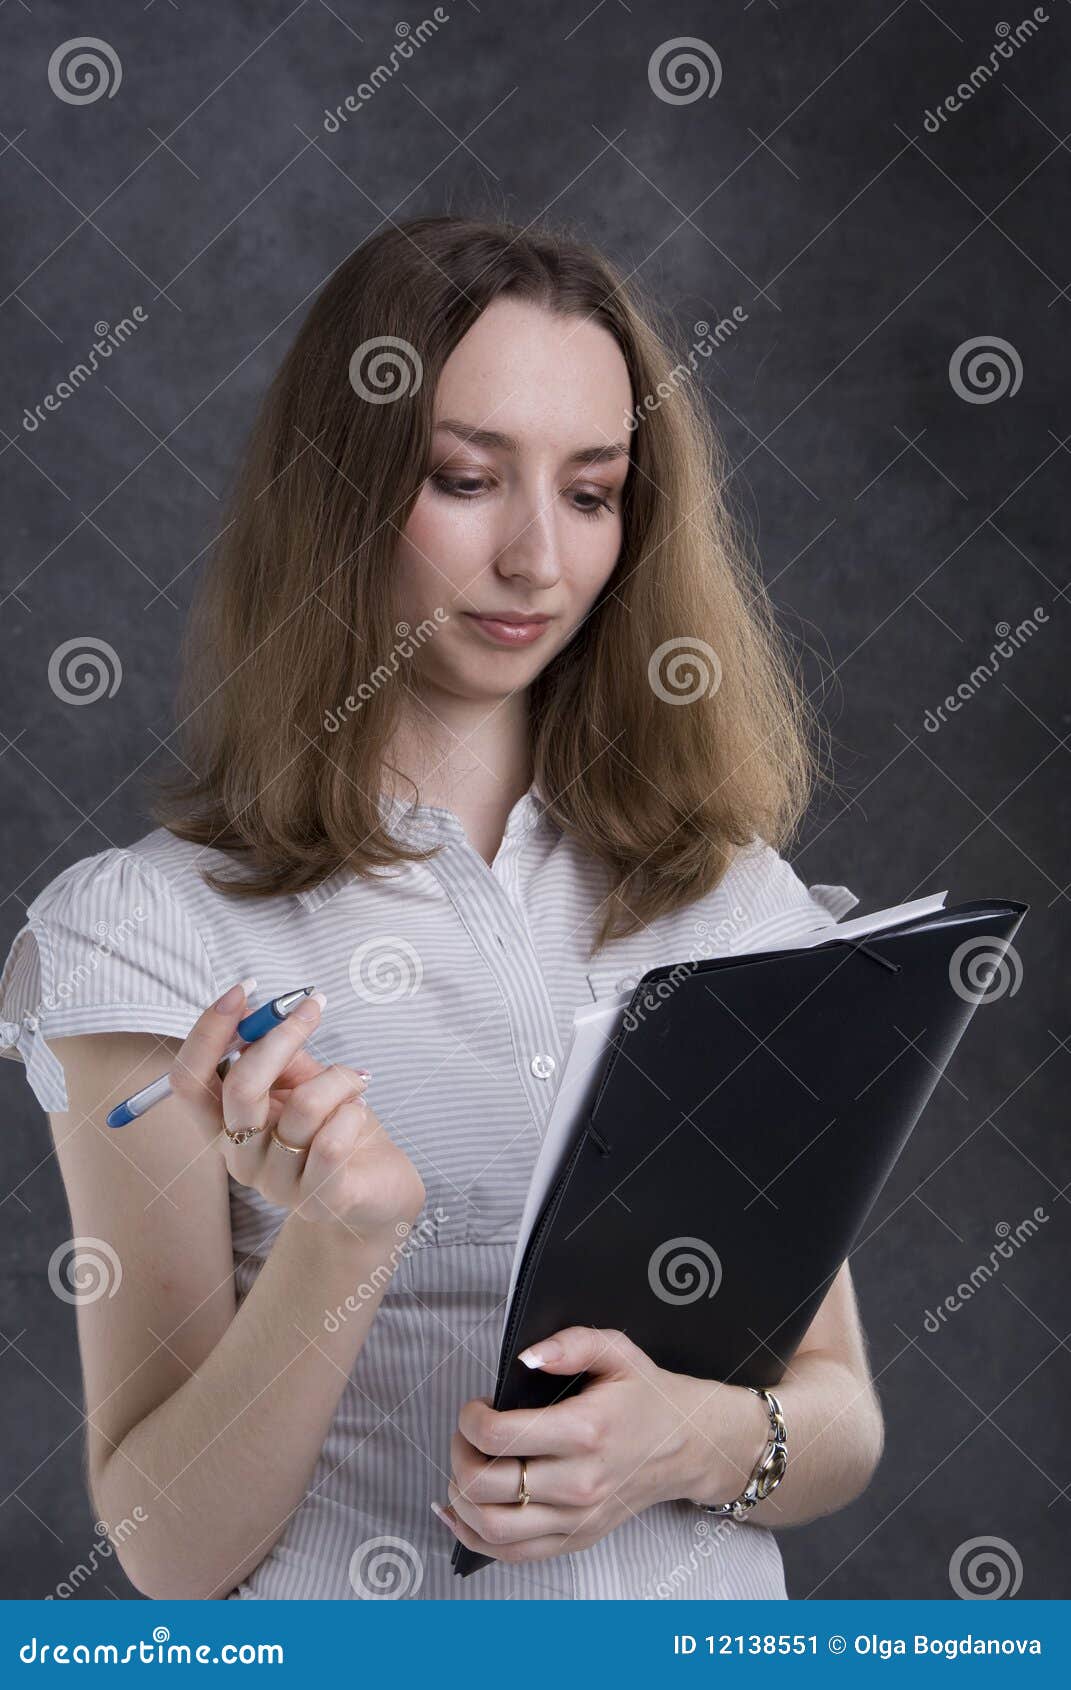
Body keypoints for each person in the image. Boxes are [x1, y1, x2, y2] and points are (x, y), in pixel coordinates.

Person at [0, 215, 883, 1601]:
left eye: (592, 493)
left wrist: (685, 1438)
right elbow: (171, 1548)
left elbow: (839, 1417)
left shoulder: (731, 901)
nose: (539, 559)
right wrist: (339, 1240)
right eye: (466, 480)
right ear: (340, 488)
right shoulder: (144, 933)